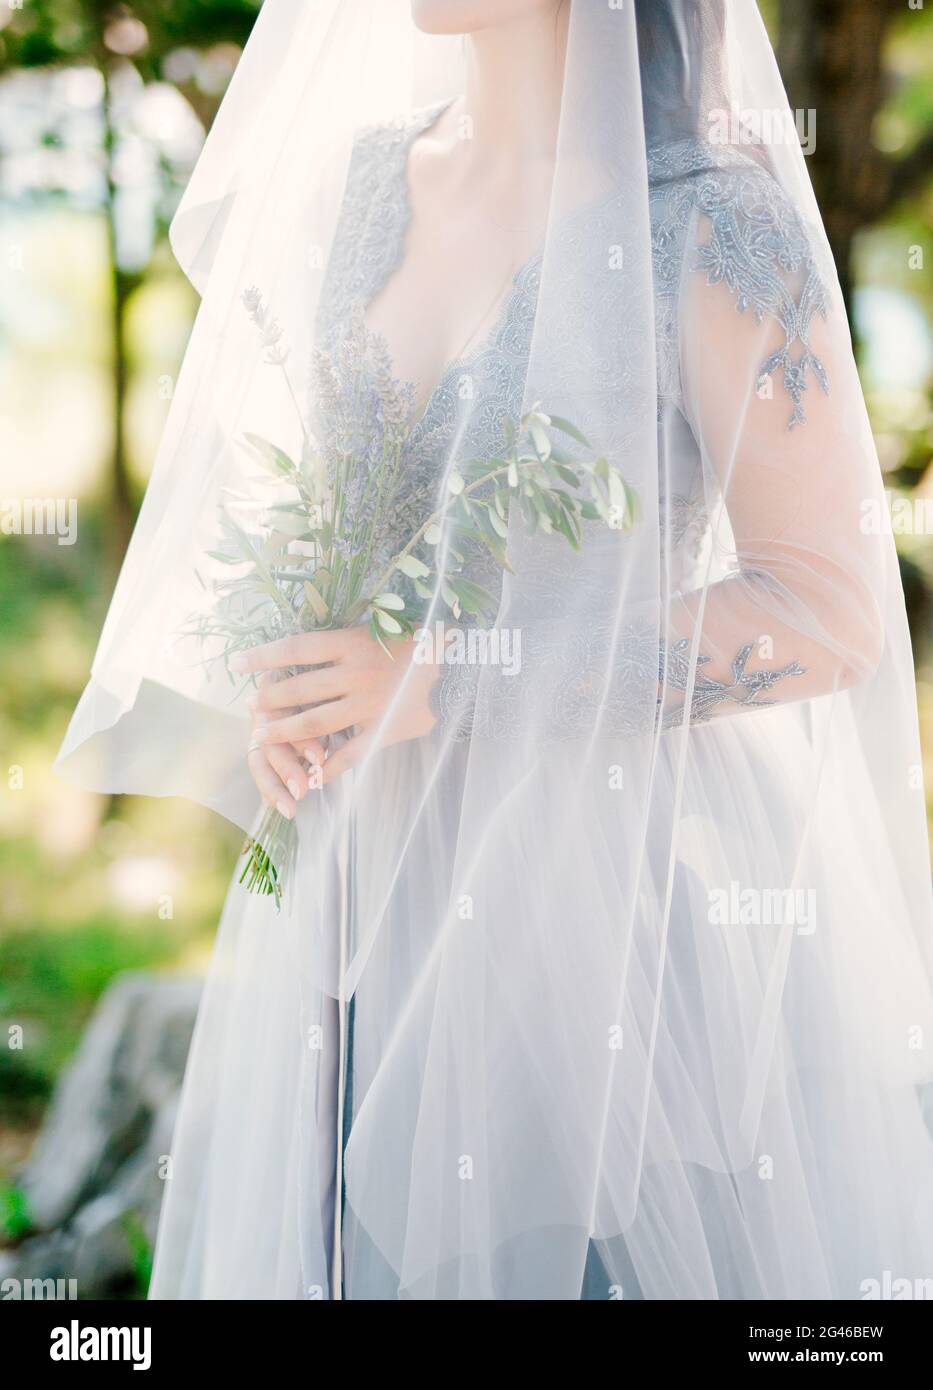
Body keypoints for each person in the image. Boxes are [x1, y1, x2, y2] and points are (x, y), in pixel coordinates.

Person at [57, 0, 933, 1300]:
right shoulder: (373, 182)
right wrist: (304, 673)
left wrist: (456, 673)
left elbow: (828, 608)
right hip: (362, 887)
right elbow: (342, 525)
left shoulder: (706, 220)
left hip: (602, 911)